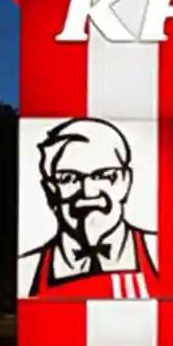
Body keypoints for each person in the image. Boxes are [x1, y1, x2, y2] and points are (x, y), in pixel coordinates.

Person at [18, 118, 158, 299]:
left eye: (104, 176)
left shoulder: (160, 254)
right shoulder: (27, 270)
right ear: (50, 190)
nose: (88, 192)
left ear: (125, 181)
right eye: (68, 178)